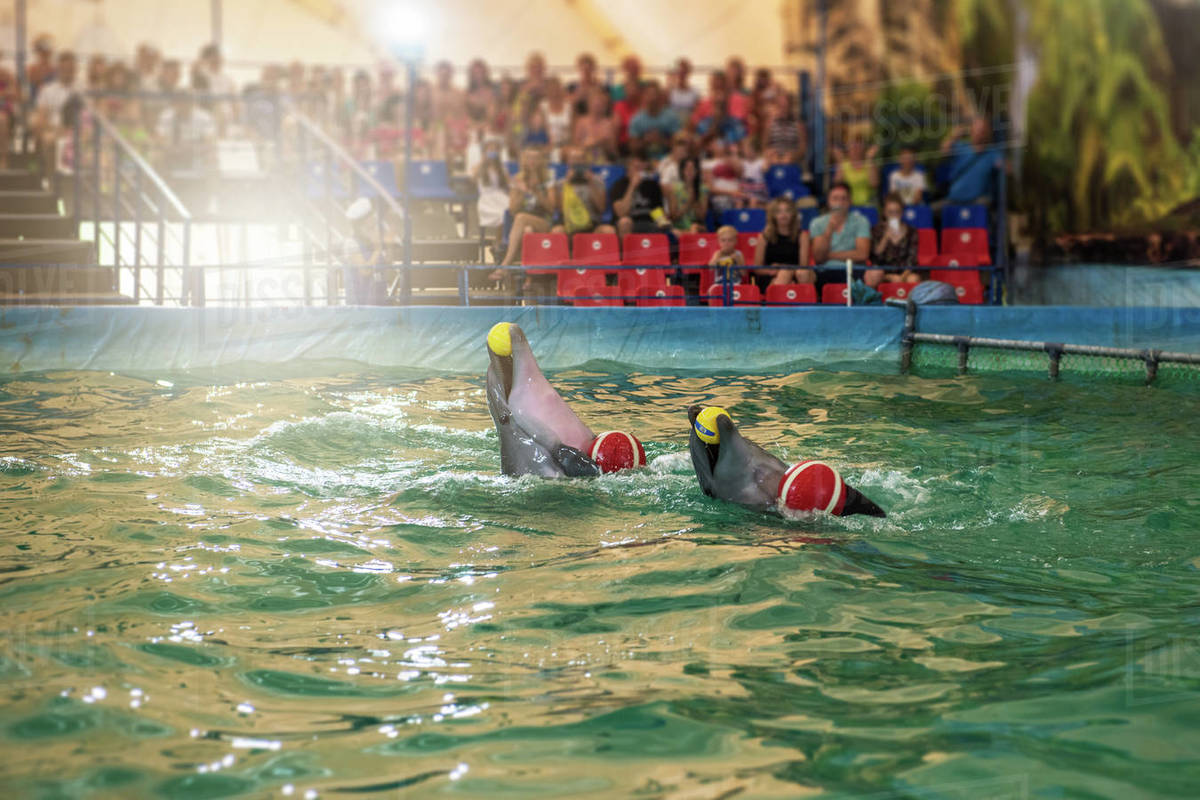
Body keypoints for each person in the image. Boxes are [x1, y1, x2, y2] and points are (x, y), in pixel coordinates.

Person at [493, 148, 555, 277]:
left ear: (541, 161)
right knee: (527, 230)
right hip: (522, 224)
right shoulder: (518, 179)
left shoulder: (549, 178)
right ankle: (529, 275)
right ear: (524, 160)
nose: (532, 161)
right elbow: (512, 210)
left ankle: (506, 264)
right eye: (528, 158)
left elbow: (552, 208)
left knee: (521, 218)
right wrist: (521, 191)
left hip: (544, 221)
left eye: (535, 158)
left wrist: (536, 190)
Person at [809, 181, 871, 279]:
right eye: (835, 198)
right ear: (828, 201)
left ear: (850, 201)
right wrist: (829, 229)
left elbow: (862, 254)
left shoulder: (861, 221)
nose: (840, 203)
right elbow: (818, 257)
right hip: (826, 272)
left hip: (855, 272)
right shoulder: (817, 223)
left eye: (844, 198)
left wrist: (829, 255)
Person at [32, 50, 79, 176]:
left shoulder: (82, 90)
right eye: (65, 68)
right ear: (59, 69)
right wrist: (57, 129)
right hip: (55, 129)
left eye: (71, 68)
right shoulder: (47, 90)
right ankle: (53, 184)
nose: (68, 71)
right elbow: (41, 116)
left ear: (76, 69)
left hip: (78, 130)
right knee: (50, 140)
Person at [552, 147, 615, 237]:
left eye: (581, 158)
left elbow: (601, 208)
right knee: (557, 231)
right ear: (568, 162)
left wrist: (591, 183)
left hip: (592, 224)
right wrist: (567, 183)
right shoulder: (561, 183)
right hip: (569, 225)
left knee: (609, 231)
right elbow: (561, 210)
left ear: (586, 161)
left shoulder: (597, 181)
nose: (578, 162)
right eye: (574, 159)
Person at [939, 116, 1002, 207]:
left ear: (987, 133)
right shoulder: (961, 146)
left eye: (982, 130)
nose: (979, 133)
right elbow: (944, 151)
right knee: (928, 213)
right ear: (971, 131)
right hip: (954, 199)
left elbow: (1006, 168)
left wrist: (1002, 165)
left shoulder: (993, 153)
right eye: (977, 130)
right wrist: (954, 137)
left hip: (978, 201)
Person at [611, 149, 671, 237]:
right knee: (625, 222)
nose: (638, 171)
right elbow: (621, 213)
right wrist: (632, 186)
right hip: (630, 223)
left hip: (649, 224)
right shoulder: (619, 185)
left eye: (641, 167)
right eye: (636, 167)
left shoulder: (652, 185)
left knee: (670, 231)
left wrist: (664, 224)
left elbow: (657, 211)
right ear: (628, 166)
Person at [757, 197, 812, 288]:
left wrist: (785, 268)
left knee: (802, 273)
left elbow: (804, 265)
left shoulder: (802, 236)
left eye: (787, 211)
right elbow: (757, 268)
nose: (783, 215)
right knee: (784, 275)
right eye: (778, 211)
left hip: (796, 274)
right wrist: (772, 270)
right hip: (771, 275)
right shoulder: (764, 236)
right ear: (773, 215)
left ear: (793, 214)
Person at [870, 192, 921, 284]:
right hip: (882, 273)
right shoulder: (876, 230)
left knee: (913, 279)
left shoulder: (911, 231)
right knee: (874, 275)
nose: (894, 215)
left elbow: (912, 260)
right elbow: (875, 257)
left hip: (905, 273)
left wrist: (902, 277)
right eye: (890, 212)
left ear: (902, 212)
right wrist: (885, 237)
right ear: (884, 212)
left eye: (897, 212)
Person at [628, 82, 679, 159]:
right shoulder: (637, 119)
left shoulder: (671, 117)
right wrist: (645, 141)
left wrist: (661, 140)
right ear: (644, 97)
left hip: (669, 159)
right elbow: (632, 148)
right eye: (649, 95)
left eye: (654, 94)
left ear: (660, 97)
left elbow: (679, 144)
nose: (652, 98)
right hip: (643, 160)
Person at [572, 86, 617, 163]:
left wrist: (599, 143)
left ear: (605, 107)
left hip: (604, 160)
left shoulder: (608, 124)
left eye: (600, 105)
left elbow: (612, 151)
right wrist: (590, 144)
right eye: (595, 104)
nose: (597, 108)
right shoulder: (581, 122)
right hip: (584, 160)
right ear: (589, 105)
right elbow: (576, 145)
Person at [473, 137, 510, 229]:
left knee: (508, 214)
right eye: (490, 149)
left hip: (501, 197)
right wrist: (483, 160)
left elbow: (508, 184)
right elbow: (473, 177)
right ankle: (499, 241)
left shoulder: (502, 168)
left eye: (495, 149)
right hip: (487, 200)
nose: (492, 151)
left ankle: (501, 241)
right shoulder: (479, 167)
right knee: (501, 216)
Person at [833, 135, 878, 206]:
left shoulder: (869, 163)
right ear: (848, 149)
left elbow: (874, 184)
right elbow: (837, 184)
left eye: (858, 147)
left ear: (864, 149)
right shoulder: (844, 164)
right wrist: (840, 162)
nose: (855, 150)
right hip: (847, 205)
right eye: (853, 146)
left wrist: (869, 159)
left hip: (868, 204)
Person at [666, 156, 707, 233]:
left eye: (692, 169)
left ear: (697, 171)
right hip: (679, 227)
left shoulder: (703, 189)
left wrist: (695, 201)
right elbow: (674, 217)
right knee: (675, 231)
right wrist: (688, 203)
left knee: (694, 228)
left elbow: (701, 217)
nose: (689, 172)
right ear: (682, 171)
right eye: (686, 169)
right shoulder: (674, 189)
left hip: (697, 226)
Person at [540, 77, 572, 151]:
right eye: (551, 88)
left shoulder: (569, 106)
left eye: (556, 88)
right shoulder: (543, 106)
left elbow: (573, 130)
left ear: (560, 89)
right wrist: (550, 145)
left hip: (567, 144)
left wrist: (569, 146)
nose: (554, 91)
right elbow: (543, 129)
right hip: (548, 144)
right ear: (547, 90)